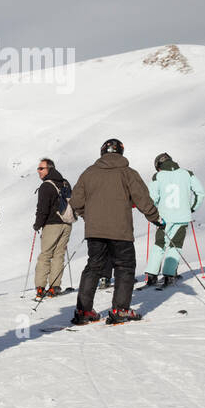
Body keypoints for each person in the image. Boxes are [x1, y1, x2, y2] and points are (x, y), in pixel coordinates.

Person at [70, 139, 162, 324]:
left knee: (93, 267)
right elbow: (142, 198)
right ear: (120, 151)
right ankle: (120, 310)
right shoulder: (127, 173)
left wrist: (89, 217)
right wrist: (155, 218)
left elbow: (76, 201)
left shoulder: (88, 173)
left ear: (102, 152)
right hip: (120, 230)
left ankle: (84, 311)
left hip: (95, 231)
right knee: (124, 267)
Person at [145, 152, 204, 287]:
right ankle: (169, 276)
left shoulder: (157, 176)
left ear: (158, 166)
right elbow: (200, 193)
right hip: (182, 217)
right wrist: (192, 208)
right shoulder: (187, 174)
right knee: (175, 246)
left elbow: (151, 198)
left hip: (163, 218)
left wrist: (152, 213)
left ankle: (152, 276)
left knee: (159, 245)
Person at [33, 159, 73, 298]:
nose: (39, 171)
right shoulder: (64, 182)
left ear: (49, 169)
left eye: (41, 168)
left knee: (45, 255)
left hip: (51, 224)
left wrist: (37, 224)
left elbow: (43, 209)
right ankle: (55, 287)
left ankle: (40, 287)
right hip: (67, 223)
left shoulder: (46, 186)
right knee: (58, 255)